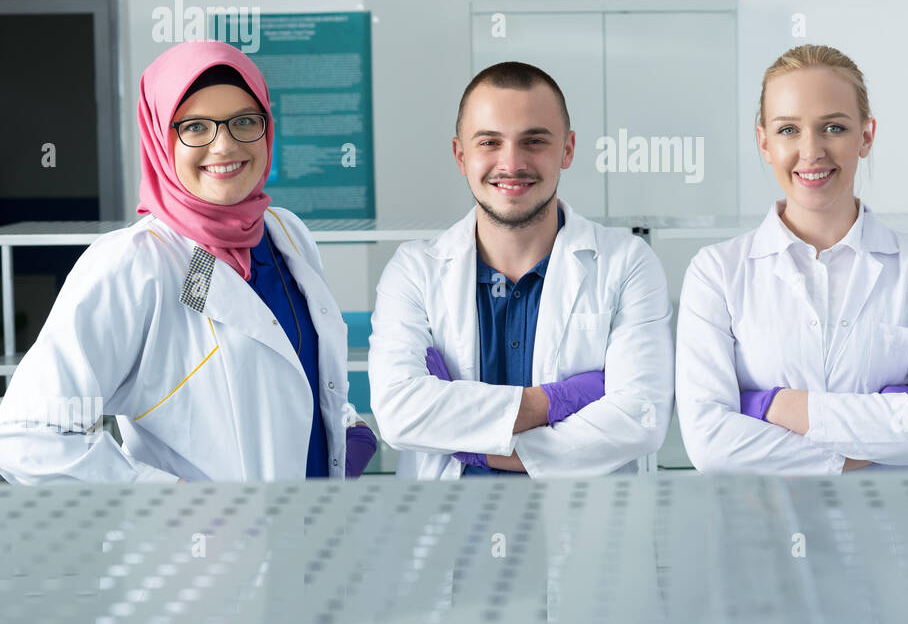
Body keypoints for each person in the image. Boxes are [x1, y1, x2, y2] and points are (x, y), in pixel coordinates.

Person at [0, 40, 375, 483]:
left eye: (244, 121)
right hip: (210, 548)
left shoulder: (286, 234)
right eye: (195, 127)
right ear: (161, 138)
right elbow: (26, 434)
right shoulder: (134, 265)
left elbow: (290, 369)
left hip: (316, 535)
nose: (225, 145)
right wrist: (170, 503)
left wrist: (340, 425)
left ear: (267, 128)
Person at [367, 61, 674, 479]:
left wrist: (475, 445)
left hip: (582, 531)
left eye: (534, 141)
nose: (511, 163)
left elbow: (640, 420)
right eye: (489, 142)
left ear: (567, 150)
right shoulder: (414, 271)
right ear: (461, 155)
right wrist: (554, 401)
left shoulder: (627, 263)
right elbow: (400, 413)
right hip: (446, 528)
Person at [674, 44, 908, 473]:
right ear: (764, 142)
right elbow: (710, 445)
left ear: (866, 136)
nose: (811, 151)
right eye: (788, 130)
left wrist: (777, 406)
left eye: (833, 128)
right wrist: (871, 435)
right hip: (764, 529)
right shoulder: (717, 272)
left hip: (891, 528)